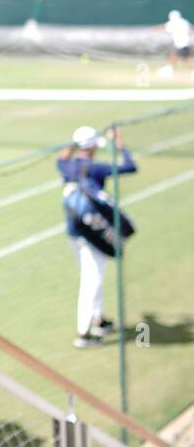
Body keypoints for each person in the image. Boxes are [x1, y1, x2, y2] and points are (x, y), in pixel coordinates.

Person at [58, 125, 135, 348]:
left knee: (91, 275)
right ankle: (84, 333)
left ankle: (99, 320)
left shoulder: (66, 166)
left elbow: (61, 157)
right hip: (93, 232)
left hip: (74, 231)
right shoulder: (96, 168)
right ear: (91, 147)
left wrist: (74, 144)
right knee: (92, 280)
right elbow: (130, 166)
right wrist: (118, 142)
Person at [157, 9, 192, 79]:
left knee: (180, 58)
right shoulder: (184, 22)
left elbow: (165, 27)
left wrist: (154, 29)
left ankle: (170, 69)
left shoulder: (174, 23)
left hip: (179, 43)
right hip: (186, 43)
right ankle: (170, 69)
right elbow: (190, 30)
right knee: (183, 58)